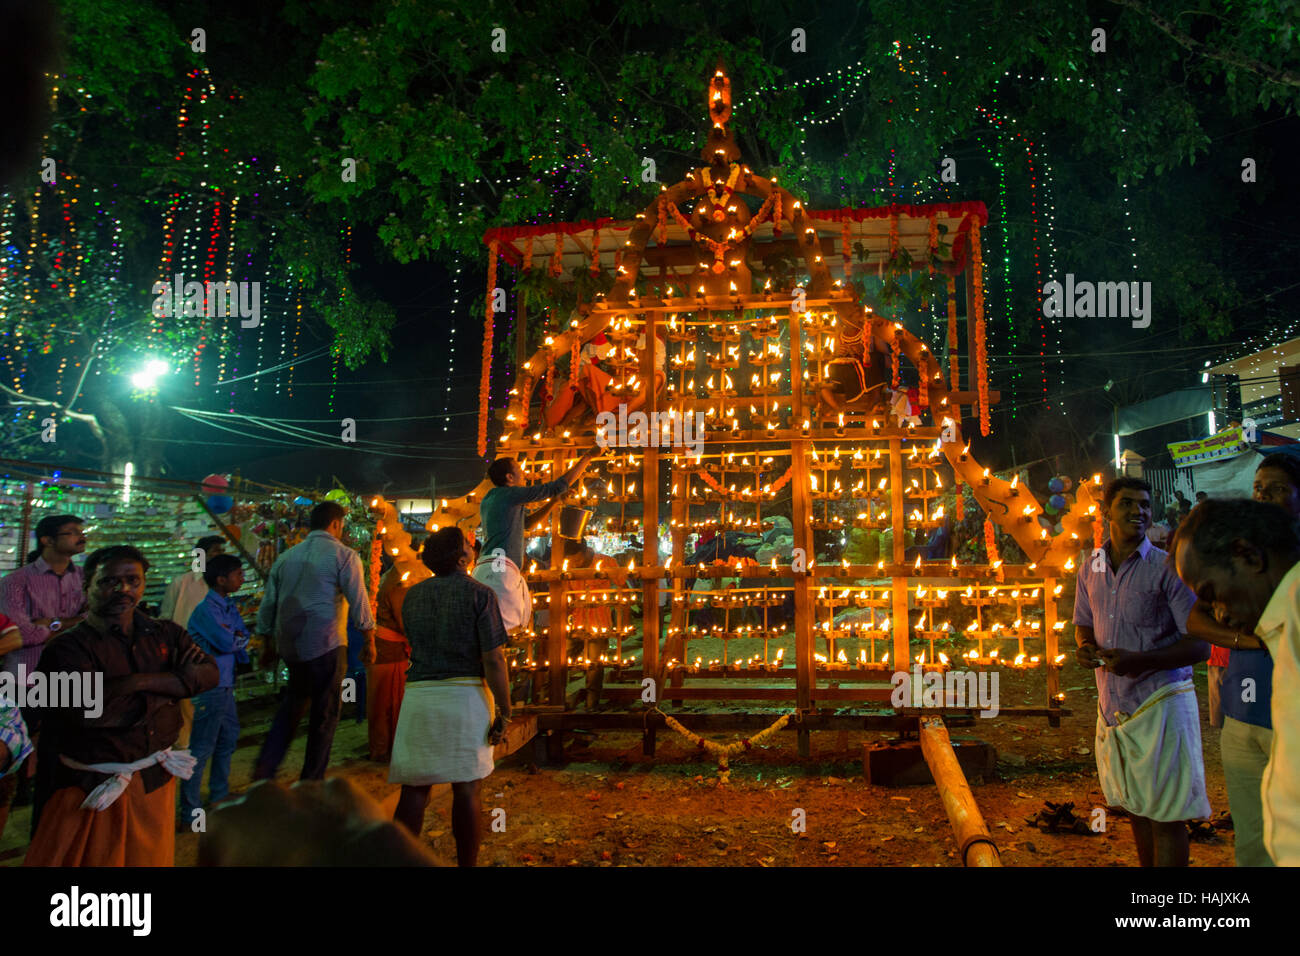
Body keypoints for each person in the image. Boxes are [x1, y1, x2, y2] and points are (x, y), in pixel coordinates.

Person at [23, 546, 218, 866]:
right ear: (87, 587)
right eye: (110, 582)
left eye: (132, 580)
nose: (124, 589)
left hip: (153, 781)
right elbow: (86, 714)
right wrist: (170, 686)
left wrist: (133, 684)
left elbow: (207, 675)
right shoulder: (66, 648)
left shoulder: (166, 633)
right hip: (90, 789)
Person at [1072, 477, 1208, 867]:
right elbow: (1083, 622)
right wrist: (1084, 648)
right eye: (1127, 503)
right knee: (1135, 808)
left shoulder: (1167, 567)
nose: (1139, 511)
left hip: (1160, 702)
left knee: (1166, 816)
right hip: (1112, 708)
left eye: (1145, 504)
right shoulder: (1091, 565)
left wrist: (1140, 660)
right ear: (1106, 512)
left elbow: (1198, 644)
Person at [1180, 455, 1300, 865]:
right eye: (1259, 487)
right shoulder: (1277, 620)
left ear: (1249, 558)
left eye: (1216, 593)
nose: (1222, 615)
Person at [390, 527, 511, 867]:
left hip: (419, 697)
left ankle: (400, 859)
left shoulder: (413, 596)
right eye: (468, 545)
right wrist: (506, 708)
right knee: (467, 786)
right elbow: (494, 659)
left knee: (414, 788)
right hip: (465, 696)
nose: (474, 546)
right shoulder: (481, 595)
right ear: (462, 558)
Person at [253, 501, 376, 783]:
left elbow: (268, 605)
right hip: (327, 644)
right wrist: (369, 638)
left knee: (293, 705)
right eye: (342, 525)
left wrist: (267, 643)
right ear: (335, 524)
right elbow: (360, 602)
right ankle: (311, 780)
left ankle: (265, 770)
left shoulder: (286, 558)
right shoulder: (344, 556)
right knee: (325, 714)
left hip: (292, 647)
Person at [0, 514, 88, 825]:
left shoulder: (85, 579)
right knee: (17, 745)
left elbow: (91, 622)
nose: (81, 536)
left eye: (81, 531)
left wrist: (50, 625)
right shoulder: (16, 581)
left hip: (70, 675)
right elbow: (19, 633)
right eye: (72, 532)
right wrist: (68, 625)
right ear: (47, 540)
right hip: (23, 674)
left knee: (62, 747)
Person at [474, 450, 598, 632]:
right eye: (519, 469)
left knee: (495, 628)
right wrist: (587, 457)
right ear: (509, 477)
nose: (523, 473)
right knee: (499, 629)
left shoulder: (494, 498)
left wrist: (554, 502)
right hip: (498, 568)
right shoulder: (509, 495)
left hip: (490, 566)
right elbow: (558, 485)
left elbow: (528, 524)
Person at [178, 554, 249, 830]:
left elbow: (238, 637)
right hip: (212, 685)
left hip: (224, 682)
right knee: (202, 747)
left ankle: (218, 794)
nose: (242, 578)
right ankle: (190, 812)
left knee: (226, 738)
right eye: (237, 574)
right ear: (221, 580)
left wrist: (238, 640)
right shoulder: (208, 610)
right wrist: (239, 640)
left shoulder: (226, 606)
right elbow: (230, 641)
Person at [159, 534, 227, 750]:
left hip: (213, 651)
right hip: (185, 651)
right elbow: (166, 617)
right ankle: (185, 745)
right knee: (186, 703)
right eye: (217, 551)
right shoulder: (182, 583)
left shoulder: (222, 585)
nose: (221, 556)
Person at [368, 561, 428, 761]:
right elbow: (406, 622)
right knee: (387, 703)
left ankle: (385, 747)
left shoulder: (394, 576)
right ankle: (385, 749)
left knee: (385, 702)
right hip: (388, 652)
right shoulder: (398, 583)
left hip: (387, 650)